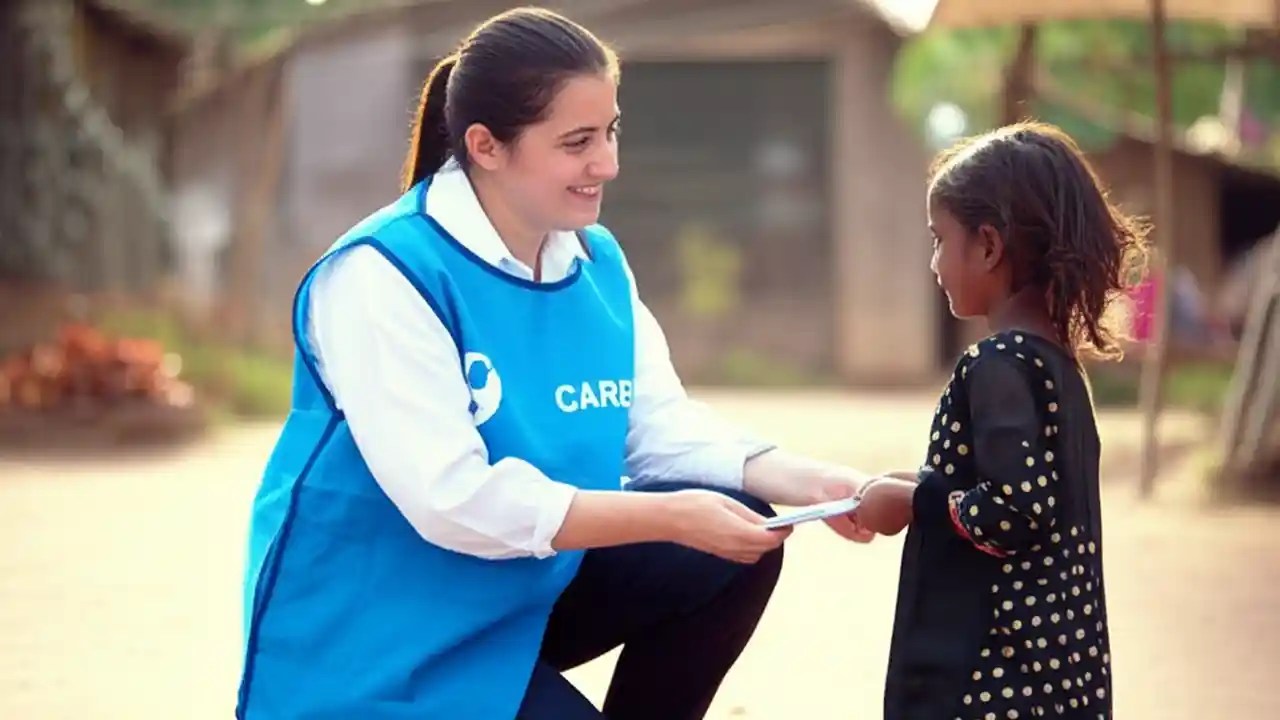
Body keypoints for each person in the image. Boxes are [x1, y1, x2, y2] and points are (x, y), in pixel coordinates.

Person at [234, 8, 872, 720]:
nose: (608, 164)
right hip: (378, 640)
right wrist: (669, 515)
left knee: (733, 542)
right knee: (691, 526)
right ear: (485, 146)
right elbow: (454, 501)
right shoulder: (382, 274)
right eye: (577, 143)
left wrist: (815, 479)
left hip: (513, 597)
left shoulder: (596, 260)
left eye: (610, 131)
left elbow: (655, 428)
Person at [854, 122, 1147, 719]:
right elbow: (1019, 488)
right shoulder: (1057, 367)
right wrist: (920, 484)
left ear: (988, 246)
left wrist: (914, 505)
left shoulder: (998, 363)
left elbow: (1013, 510)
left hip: (996, 677)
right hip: (1061, 677)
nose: (934, 262)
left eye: (940, 239)